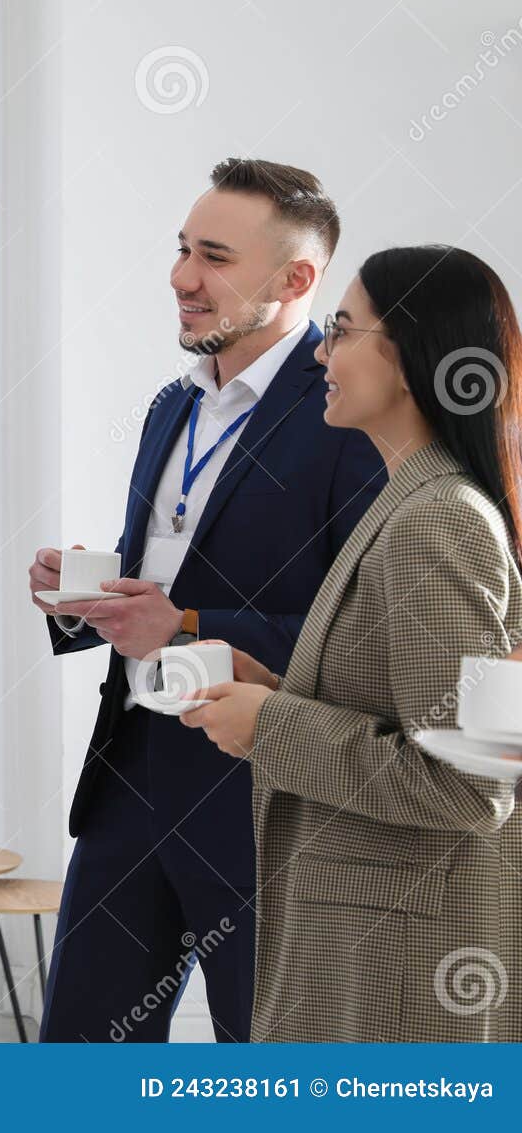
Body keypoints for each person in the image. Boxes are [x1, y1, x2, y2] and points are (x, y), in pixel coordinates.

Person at [26, 159, 386, 1042]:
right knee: (79, 1051)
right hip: (130, 776)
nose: (183, 277)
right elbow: (168, 586)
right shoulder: (169, 407)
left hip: (262, 794)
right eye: (183, 249)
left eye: (215, 256)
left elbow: (363, 637)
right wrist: (88, 600)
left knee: (267, 1060)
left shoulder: (345, 416)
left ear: (296, 279)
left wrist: (187, 626)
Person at [182, 244, 522, 1041]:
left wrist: (269, 724)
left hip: (400, 968)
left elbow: (470, 787)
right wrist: (273, 681)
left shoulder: (438, 523)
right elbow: (405, 705)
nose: (323, 354)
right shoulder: (410, 501)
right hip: (373, 946)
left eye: (342, 330)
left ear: (409, 360)